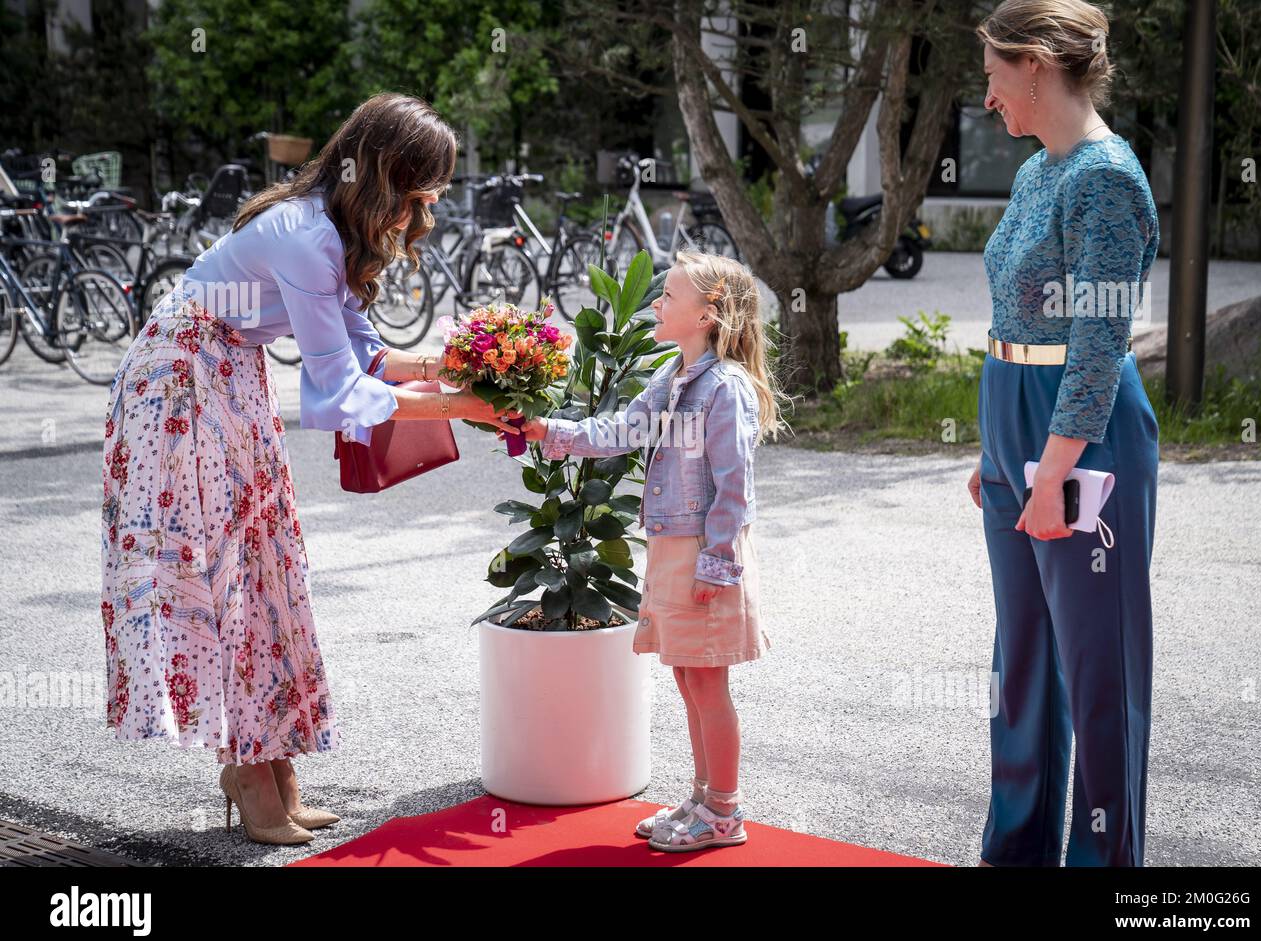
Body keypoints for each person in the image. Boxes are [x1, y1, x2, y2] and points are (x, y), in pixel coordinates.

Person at [100, 92, 518, 846]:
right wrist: (463, 407)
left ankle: (271, 762)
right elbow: (338, 396)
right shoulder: (304, 235)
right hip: (179, 381)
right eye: (417, 194)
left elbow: (365, 356)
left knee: (265, 566)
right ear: (384, 178)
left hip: (223, 371)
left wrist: (473, 365)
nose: (419, 214)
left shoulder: (328, 226)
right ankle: (251, 772)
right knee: (226, 573)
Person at [971, 0, 1160, 866]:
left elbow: (1097, 344)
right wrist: (996, 455)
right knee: (1024, 668)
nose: (987, 98)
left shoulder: (1105, 177)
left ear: (1037, 63)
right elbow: (1016, 316)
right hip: (1016, 422)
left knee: (1098, 676)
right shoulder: (1037, 170)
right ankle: (1015, 852)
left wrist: (1050, 469)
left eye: (993, 75)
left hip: (1079, 434)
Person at [519, 250, 788, 851]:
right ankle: (704, 796)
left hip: (703, 554)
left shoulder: (727, 389)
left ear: (709, 315)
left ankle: (724, 810)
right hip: (675, 547)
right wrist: (551, 431)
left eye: (668, 296)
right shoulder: (672, 373)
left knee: (708, 683)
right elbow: (623, 430)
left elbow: (735, 486)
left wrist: (717, 565)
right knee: (690, 678)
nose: (656, 303)